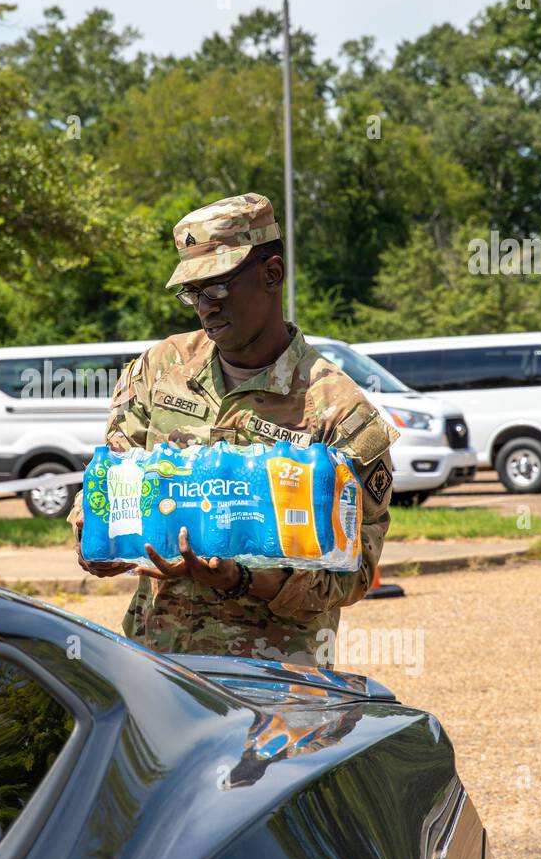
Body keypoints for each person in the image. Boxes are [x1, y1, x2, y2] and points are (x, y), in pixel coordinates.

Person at [68, 192, 399, 665]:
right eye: (193, 292)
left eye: (218, 287)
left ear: (272, 274)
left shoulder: (339, 410)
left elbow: (355, 572)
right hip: (161, 667)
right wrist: (95, 539)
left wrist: (242, 578)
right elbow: (112, 485)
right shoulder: (157, 370)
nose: (205, 308)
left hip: (276, 680)